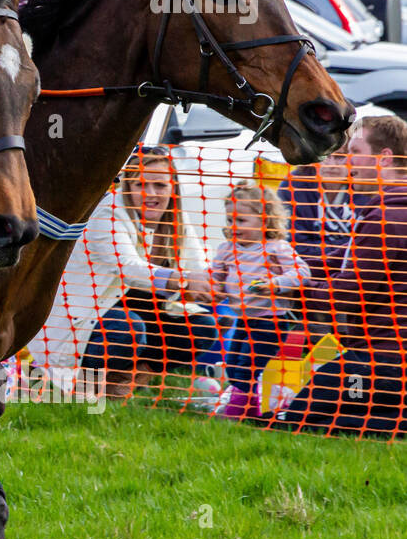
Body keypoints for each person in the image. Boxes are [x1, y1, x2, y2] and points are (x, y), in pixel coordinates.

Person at [28, 145, 216, 397]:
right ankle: (85, 384)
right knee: (129, 329)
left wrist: (214, 283)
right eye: (140, 185)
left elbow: (198, 267)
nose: (151, 193)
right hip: (80, 321)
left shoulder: (175, 219)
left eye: (160, 185)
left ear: (173, 188)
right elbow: (127, 267)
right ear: (127, 186)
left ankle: (132, 378)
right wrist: (181, 280)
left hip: (132, 310)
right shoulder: (108, 211)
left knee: (203, 326)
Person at [285, 116, 407, 434]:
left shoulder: (388, 217)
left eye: (355, 151)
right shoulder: (388, 210)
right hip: (384, 359)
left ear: (384, 158)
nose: (347, 161)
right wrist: (285, 265)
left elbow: (350, 291)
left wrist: (291, 290)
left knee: (298, 419)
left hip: (383, 361)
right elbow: (340, 260)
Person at [210, 181, 313, 417]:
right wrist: (214, 289)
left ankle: (242, 411)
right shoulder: (227, 249)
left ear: (264, 221)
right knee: (235, 367)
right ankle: (257, 406)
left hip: (270, 322)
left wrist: (274, 285)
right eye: (230, 220)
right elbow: (215, 277)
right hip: (243, 320)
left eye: (241, 221)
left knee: (250, 367)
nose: (233, 226)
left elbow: (302, 272)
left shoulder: (276, 248)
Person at [277, 154, 354, 283]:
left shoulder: (365, 186)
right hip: (301, 272)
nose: (331, 164)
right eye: (326, 156)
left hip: (350, 274)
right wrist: (344, 245)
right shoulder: (293, 185)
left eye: (340, 157)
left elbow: (365, 245)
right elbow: (294, 246)